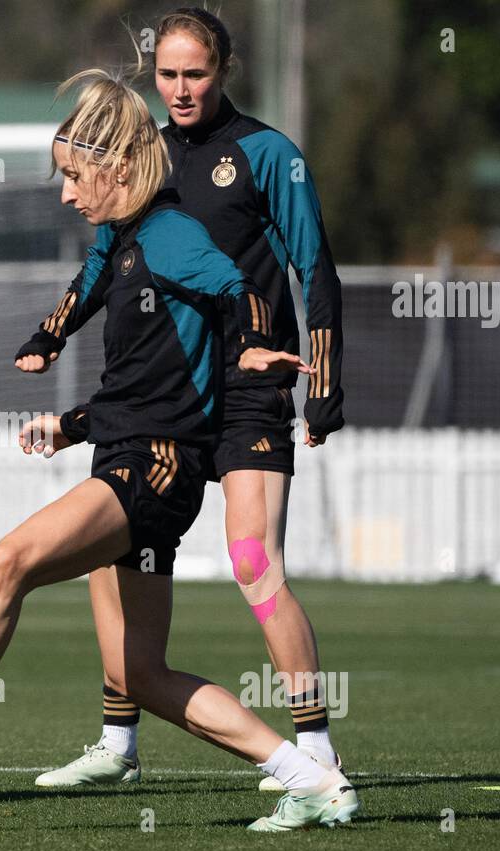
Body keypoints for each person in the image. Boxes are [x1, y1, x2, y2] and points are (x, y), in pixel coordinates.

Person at [0, 70, 359, 831]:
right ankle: (312, 778)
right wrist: (67, 426)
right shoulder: (131, 246)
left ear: (117, 166)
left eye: (73, 177)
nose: (67, 194)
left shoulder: (167, 236)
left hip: (156, 469)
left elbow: (244, 288)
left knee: (10, 561)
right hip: (132, 455)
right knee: (138, 672)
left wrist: (259, 347)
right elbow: (142, 384)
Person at [26, 8, 346, 793]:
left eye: (194, 74)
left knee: (251, 558)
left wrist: (325, 390)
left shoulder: (270, 155)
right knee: (118, 544)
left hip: (247, 383)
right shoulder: (143, 155)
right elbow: (104, 259)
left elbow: (316, 268)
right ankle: (118, 740)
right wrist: (53, 334)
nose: (178, 89)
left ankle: (316, 748)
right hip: (169, 391)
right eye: (166, 75)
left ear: (224, 70)